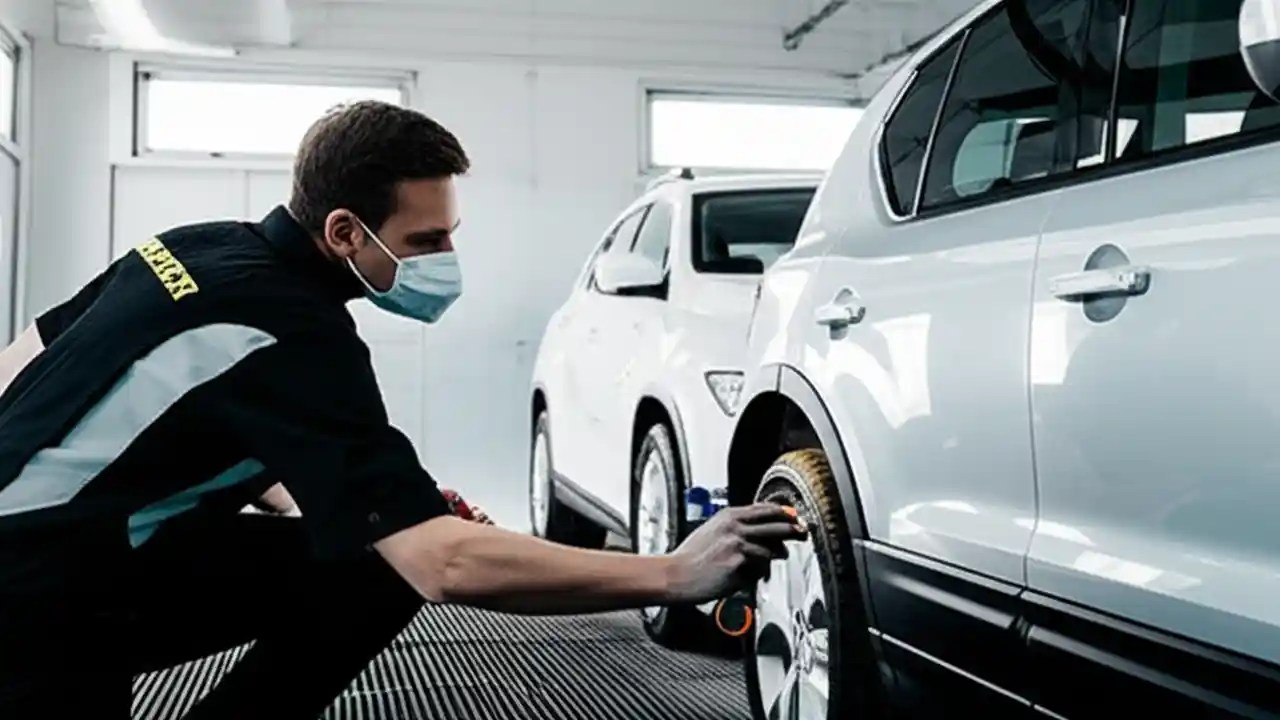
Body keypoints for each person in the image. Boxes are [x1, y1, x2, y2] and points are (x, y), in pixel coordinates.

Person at [0, 100, 803, 719]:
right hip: (44, 598)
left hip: (55, 550)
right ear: (346, 231)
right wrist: (671, 572)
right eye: (425, 243)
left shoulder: (193, 246)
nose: (446, 262)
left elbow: (27, 359)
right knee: (385, 569)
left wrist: (332, 498)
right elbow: (441, 564)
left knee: (363, 549)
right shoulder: (299, 339)